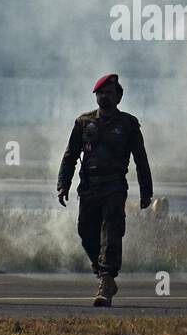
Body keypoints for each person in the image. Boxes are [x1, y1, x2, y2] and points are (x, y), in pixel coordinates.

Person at [56, 74, 153, 307]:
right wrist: (63, 184)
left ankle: (106, 282)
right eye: (100, 93)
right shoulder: (83, 123)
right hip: (88, 186)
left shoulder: (128, 124)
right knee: (85, 232)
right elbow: (70, 156)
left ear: (118, 97)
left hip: (114, 186)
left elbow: (141, 159)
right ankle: (103, 275)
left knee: (111, 232)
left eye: (109, 93)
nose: (104, 96)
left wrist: (146, 190)